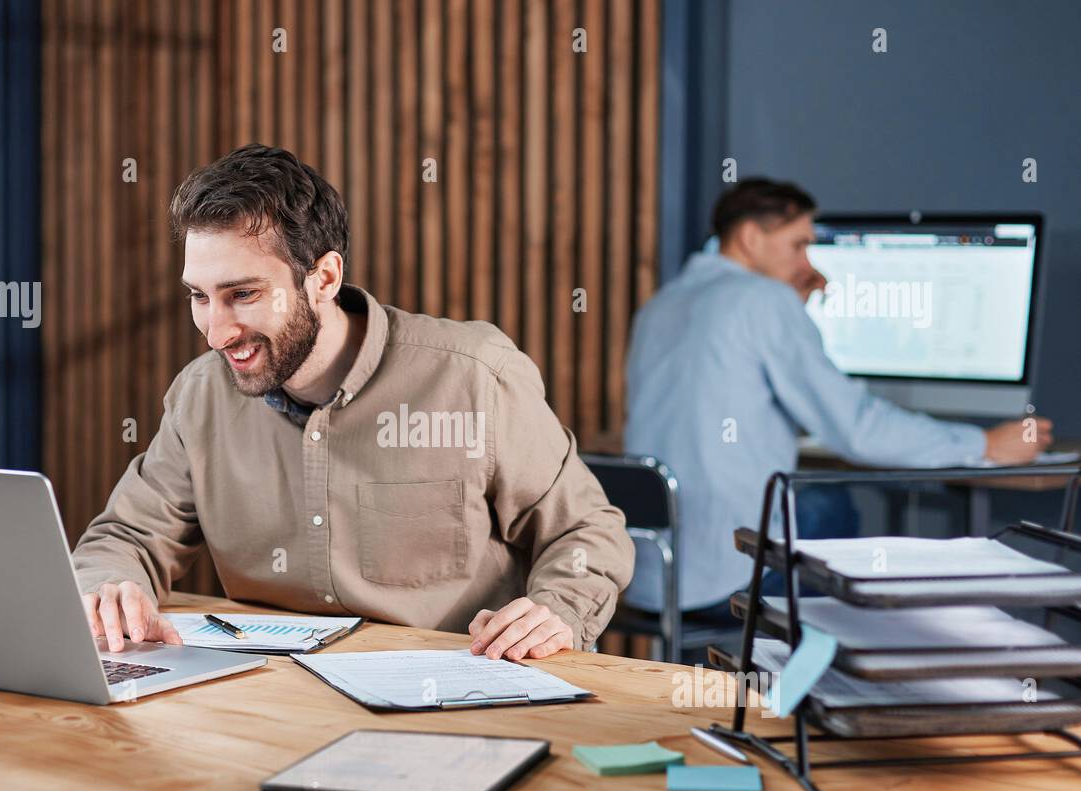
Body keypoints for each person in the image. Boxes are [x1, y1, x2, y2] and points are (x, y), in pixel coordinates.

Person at [73, 144, 635, 661]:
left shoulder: (473, 377)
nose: (216, 331)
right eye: (199, 297)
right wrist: (109, 587)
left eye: (242, 294)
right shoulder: (201, 396)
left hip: (451, 703)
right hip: (265, 702)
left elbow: (588, 533)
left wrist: (557, 609)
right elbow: (126, 537)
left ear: (324, 277)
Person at [623, 178, 1051, 621]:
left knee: (811, 506)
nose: (809, 260)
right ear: (751, 238)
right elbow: (857, 431)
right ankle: (832, 676)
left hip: (654, 576)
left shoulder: (663, 302)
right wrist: (985, 445)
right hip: (726, 577)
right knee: (832, 507)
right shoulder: (762, 299)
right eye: (799, 244)